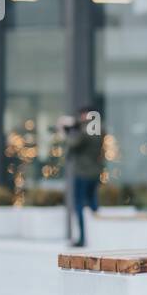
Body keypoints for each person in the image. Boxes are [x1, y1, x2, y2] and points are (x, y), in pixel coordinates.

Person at [62, 106, 105, 248]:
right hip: (94, 173)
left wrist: (66, 131)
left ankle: (82, 238)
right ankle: (96, 236)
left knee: (79, 205)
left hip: (82, 173)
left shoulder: (85, 131)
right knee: (92, 204)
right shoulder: (99, 130)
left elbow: (72, 145)